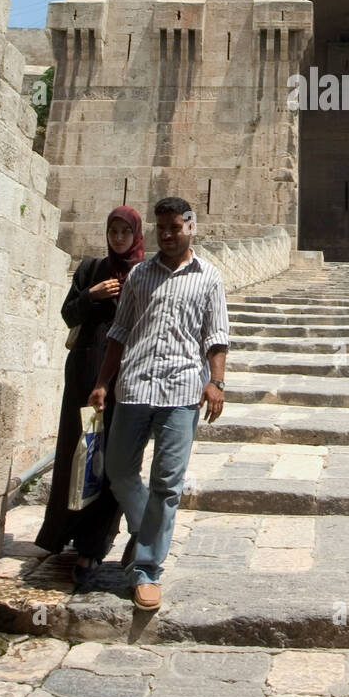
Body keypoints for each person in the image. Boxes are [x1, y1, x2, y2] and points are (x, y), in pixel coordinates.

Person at [89, 196, 229, 612]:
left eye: (175, 227)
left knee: (168, 482)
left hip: (183, 390)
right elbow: (119, 332)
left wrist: (216, 382)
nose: (167, 235)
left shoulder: (209, 278)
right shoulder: (139, 276)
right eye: (161, 228)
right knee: (118, 469)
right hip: (134, 386)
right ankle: (146, 528)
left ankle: (146, 569)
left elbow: (216, 335)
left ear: (191, 226)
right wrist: (101, 382)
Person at [35, 206, 145, 585]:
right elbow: (68, 315)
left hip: (123, 377)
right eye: (112, 231)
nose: (118, 238)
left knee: (111, 458)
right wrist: (92, 295)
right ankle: (61, 533)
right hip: (84, 373)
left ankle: (93, 545)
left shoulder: (143, 274)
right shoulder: (89, 270)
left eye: (124, 232)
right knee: (76, 452)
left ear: (135, 235)